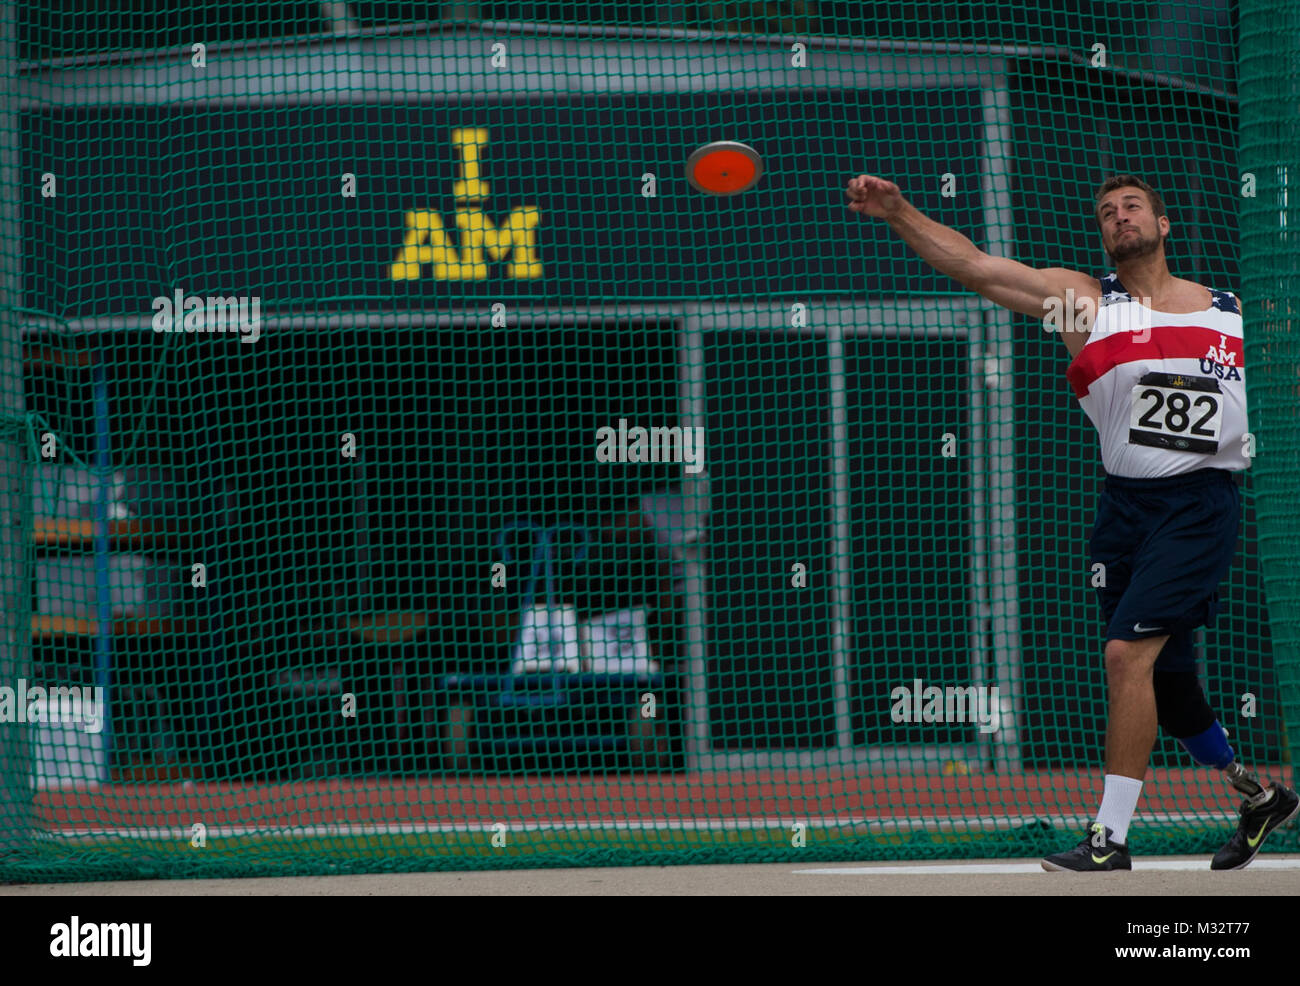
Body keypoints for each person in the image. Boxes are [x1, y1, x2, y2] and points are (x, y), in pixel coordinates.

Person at [844, 171, 1298, 871]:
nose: (1120, 217)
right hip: (1123, 512)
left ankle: (1109, 839)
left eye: (1133, 207)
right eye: (1108, 211)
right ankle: (1258, 796)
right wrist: (900, 212)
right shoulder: (1082, 304)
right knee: (1169, 688)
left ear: (1164, 223)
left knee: (1124, 657)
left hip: (1199, 505)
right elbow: (975, 266)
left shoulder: (1230, 312)